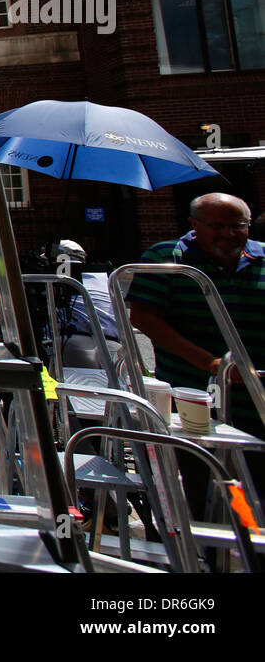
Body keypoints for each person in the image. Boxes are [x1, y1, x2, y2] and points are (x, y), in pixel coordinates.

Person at [126, 193, 265, 516]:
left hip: (257, 399)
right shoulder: (168, 257)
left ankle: (249, 544)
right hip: (196, 395)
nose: (227, 234)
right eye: (217, 226)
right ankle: (217, 548)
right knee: (208, 481)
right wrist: (213, 364)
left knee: (256, 484)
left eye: (237, 226)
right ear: (194, 224)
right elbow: (144, 317)